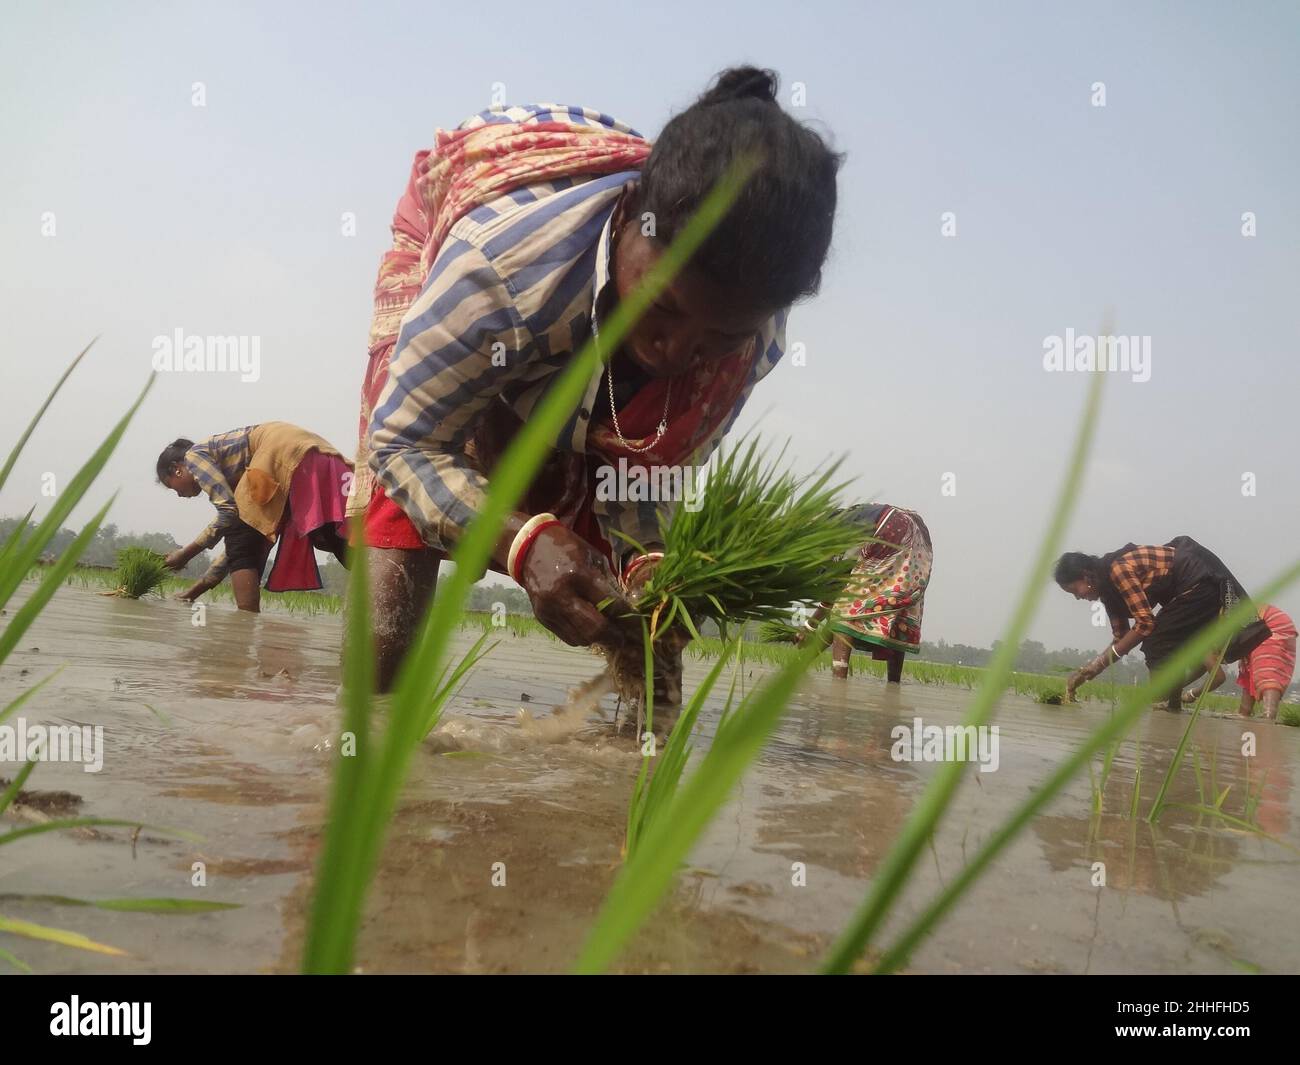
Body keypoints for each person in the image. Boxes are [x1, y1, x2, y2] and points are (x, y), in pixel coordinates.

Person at [351, 66, 842, 691]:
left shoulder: (753, 342)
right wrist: (523, 542)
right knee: (405, 495)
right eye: (663, 306)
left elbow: (650, 478)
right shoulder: (497, 272)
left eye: (717, 336)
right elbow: (406, 443)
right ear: (632, 213)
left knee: (656, 580)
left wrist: (657, 571)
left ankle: (640, 748)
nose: (675, 352)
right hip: (461, 216)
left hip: (569, 309)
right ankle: (366, 726)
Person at [1054, 537, 1272, 709]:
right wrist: (1087, 672)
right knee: (1163, 642)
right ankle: (1171, 704)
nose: (1077, 597)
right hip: (1189, 589)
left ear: (1087, 576)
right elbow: (1121, 638)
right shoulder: (1109, 593)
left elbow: (1145, 625)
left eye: (1075, 590)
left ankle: (1163, 698)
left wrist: (1098, 664)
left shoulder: (1118, 571)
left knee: (1157, 641)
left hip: (1199, 582)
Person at [158, 423, 351, 612]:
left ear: (177, 469)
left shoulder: (193, 456)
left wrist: (184, 554)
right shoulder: (239, 478)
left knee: (240, 538)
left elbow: (228, 514)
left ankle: (245, 624)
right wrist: (192, 593)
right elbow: (240, 536)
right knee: (339, 541)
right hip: (321, 454)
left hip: (283, 450)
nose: (179, 494)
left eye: (171, 485)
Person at [799, 504, 933, 683]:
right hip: (918, 536)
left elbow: (835, 595)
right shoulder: (852, 516)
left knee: (845, 611)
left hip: (891, 526)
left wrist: (809, 626)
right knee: (895, 609)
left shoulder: (833, 533)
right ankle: (893, 687)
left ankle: (838, 687)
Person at [1182, 604, 1296, 719]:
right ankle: (1244, 714)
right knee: (1248, 672)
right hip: (1254, 628)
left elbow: (1218, 677)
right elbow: (1201, 669)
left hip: (1268, 625)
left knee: (1267, 669)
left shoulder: (1202, 643)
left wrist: (1192, 693)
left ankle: (1269, 717)